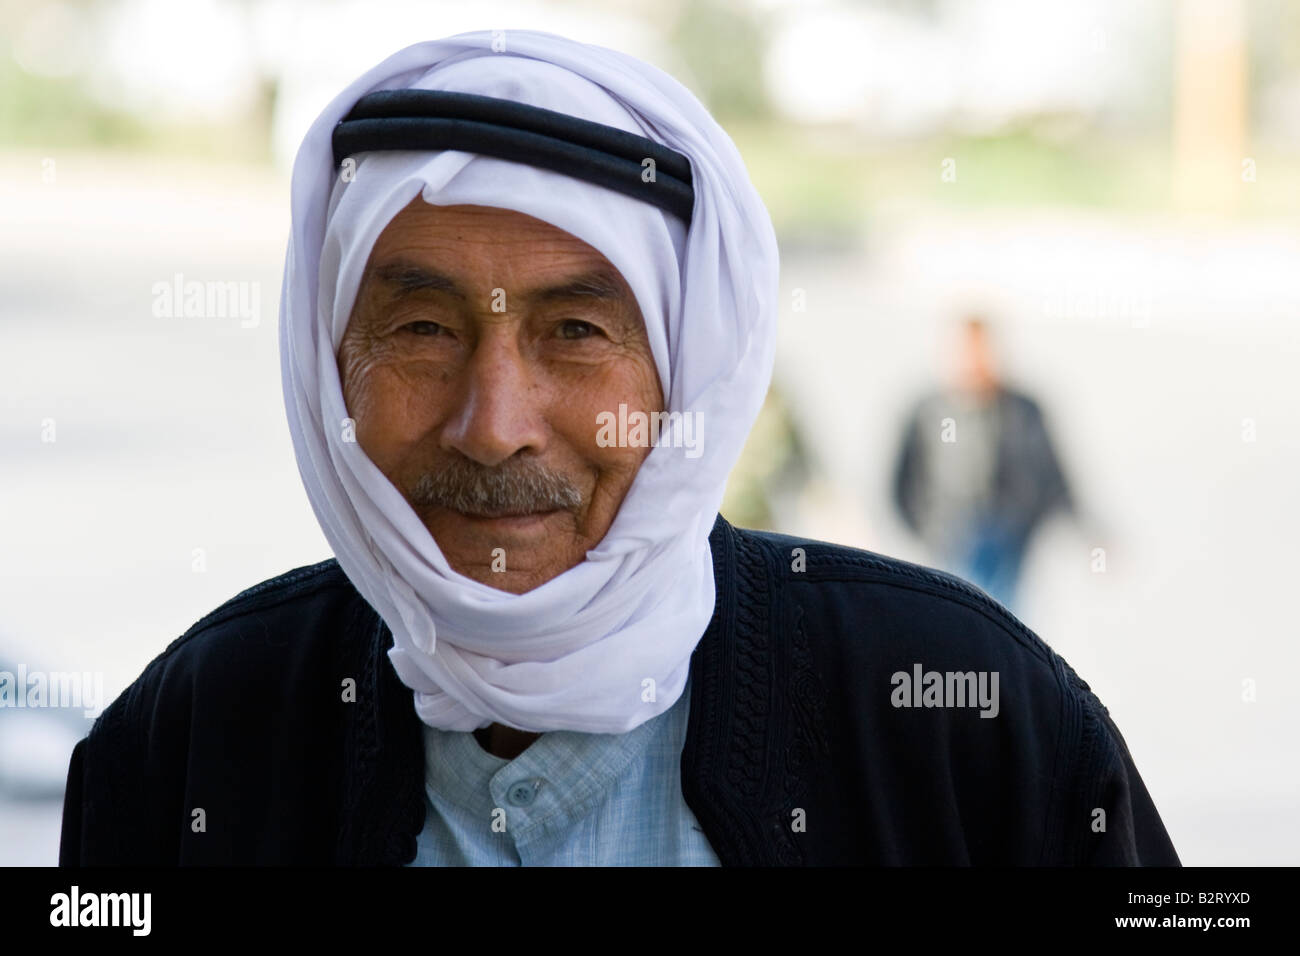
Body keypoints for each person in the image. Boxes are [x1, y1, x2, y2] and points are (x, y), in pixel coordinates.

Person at [58, 31, 1178, 866]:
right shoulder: (182, 747)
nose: (494, 423)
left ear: (687, 370)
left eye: (578, 331)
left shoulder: (977, 727)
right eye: (421, 329)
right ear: (327, 366)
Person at [892, 317, 1075, 611]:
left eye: (982, 351)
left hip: (1010, 548)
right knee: (953, 625)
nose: (975, 362)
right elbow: (901, 483)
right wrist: (927, 532)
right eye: (966, 351)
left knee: (1006, 631)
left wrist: (1081, 529)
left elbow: (1055, 477)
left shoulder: (1023, 411)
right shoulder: (928, 412)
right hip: (949, 544)